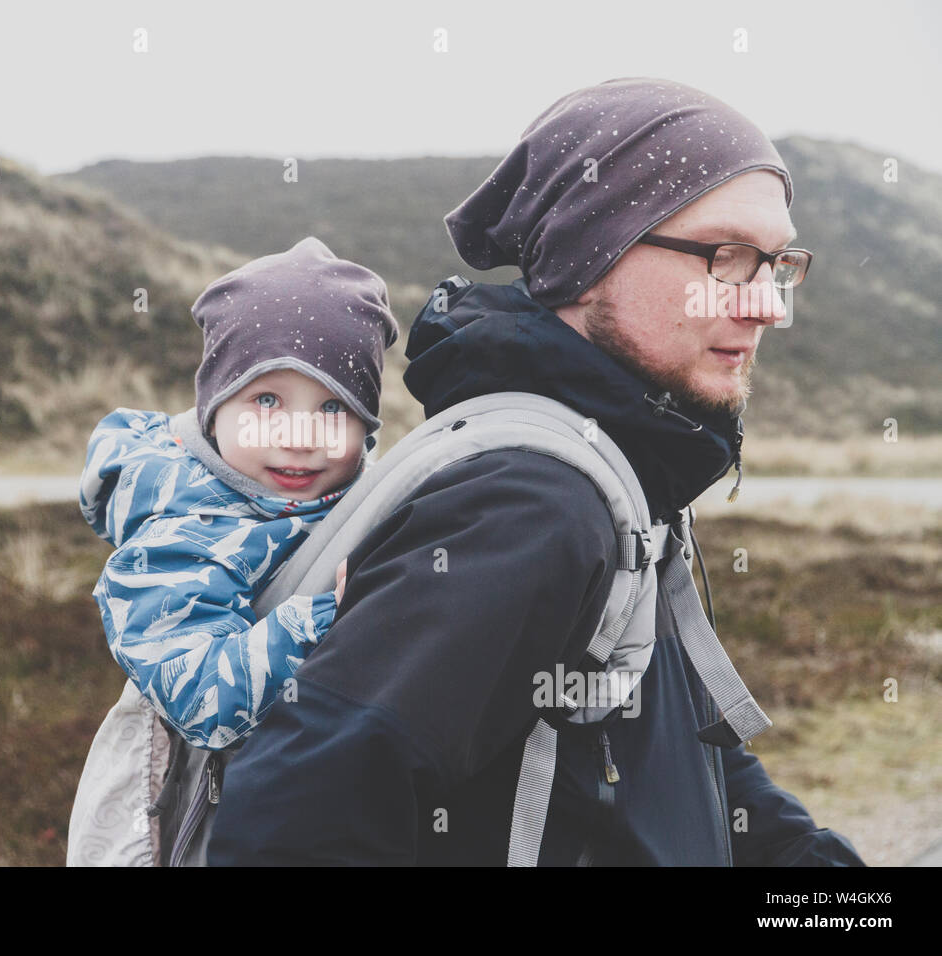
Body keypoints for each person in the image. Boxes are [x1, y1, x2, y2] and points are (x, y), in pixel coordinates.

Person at [207, 78, 865, 865]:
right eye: (726, 258)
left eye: (778, 263)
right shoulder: (538, 503)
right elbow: (296, 820)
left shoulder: (622, 474)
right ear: (589, 259)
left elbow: (683, 771)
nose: (768, 307)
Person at [78, 236, 399, 750]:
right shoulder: (182, 532)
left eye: (333, 407)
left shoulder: (370, 495)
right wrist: (324, 617)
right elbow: (201, 697)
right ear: (214, 408)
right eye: (267, 399)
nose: (300, 437)